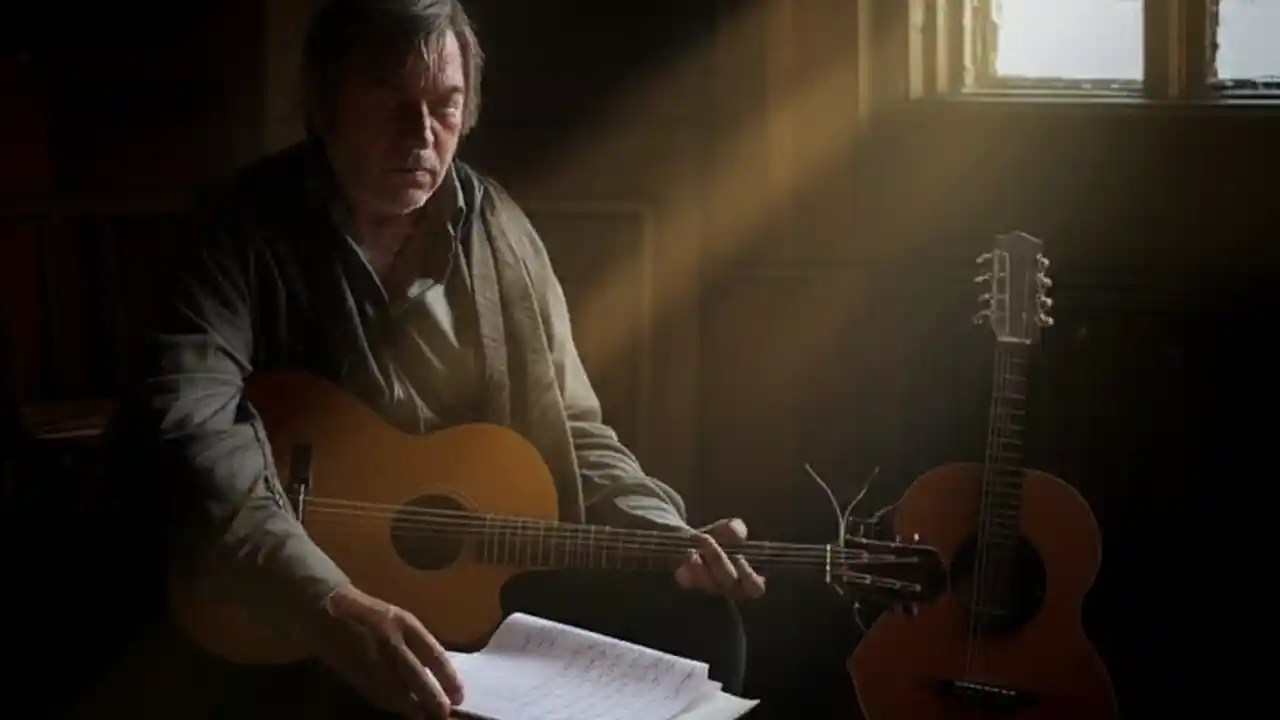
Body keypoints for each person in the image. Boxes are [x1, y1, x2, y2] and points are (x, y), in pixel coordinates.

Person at [105, 1, 765, 718]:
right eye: (388, 100)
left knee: (698, 628)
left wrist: (657, 529)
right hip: (287, 601)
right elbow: (188, 429)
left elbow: (572, 433)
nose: (419, 134)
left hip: (473, 590)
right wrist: (328, 601)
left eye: (444, 105)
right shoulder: (237, 229)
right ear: (324, 104)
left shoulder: (502, 232)